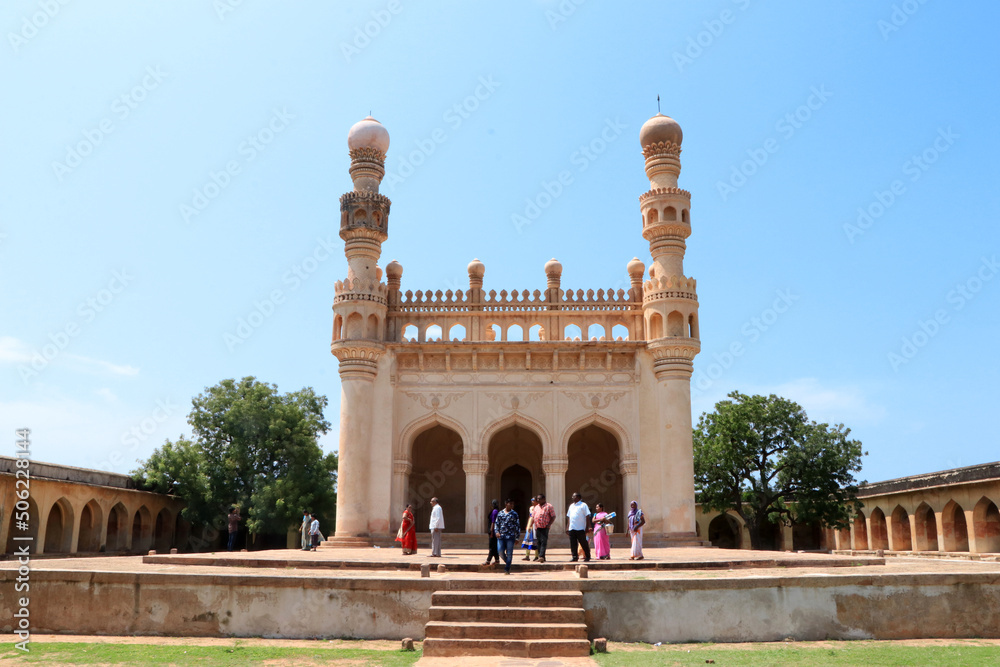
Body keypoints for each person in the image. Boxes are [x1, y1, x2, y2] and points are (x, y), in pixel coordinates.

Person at [494, 498, 520, 574]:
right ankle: (508, 562)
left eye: (513, 504)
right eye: (510, 504)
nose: (512, 505)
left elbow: (517, 526)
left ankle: (507, 569)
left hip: (510, 536)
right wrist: (497, 532)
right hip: (501, 536)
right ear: (506, 504)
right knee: (500, 551)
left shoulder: (514, 514)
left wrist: (517, 537)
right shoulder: (500, 513)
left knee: (509, 553)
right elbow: (497, 523)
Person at [566, 492, 591, 562]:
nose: (573, 498)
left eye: (574, 496)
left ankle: (587, 556)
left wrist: (587, 527)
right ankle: (574, 557)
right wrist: (567, 527)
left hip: (580, 528)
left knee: (583, 543)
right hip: (572, 528)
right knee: (573, 543)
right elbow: (569, 517)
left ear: (579, 498)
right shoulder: (571, 506)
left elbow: (587, 516)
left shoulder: (583, 505)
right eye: (572, 496)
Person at [532, 493, 556, 563]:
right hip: (537, 527)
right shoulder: (536, 507)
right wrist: (530, 525)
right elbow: (533, 516)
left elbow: (553, 516)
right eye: (537, 499)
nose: (538, 500)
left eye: (539, 499)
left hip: (545, 527)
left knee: (543, 542)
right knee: (538, 542)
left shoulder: (549, 506)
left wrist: (549, 524)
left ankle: (541, 556)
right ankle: (541, 557)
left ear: (544, 499)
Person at [483, 499, 500, 566]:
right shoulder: (495, 511)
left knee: (491, 547)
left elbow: (493, 522)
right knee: (494, 546)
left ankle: (488, 561)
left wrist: (491, 532)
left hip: (493, 531)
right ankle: (497, 560)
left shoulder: (494, 512)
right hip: (494, 531)